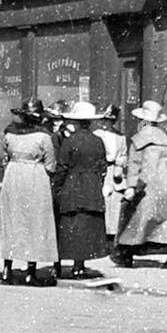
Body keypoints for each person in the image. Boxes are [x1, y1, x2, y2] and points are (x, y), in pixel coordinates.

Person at [117, 100, 167, 269]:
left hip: (147, 183)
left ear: (143, 120)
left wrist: (131, 186)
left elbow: (135, 165)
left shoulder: (139, 139)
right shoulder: (165, 139)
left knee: (136, 218)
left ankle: (126, 254)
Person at [0, 97, 59, 286]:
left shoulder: (10, 135)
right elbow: (51, 165)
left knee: (12, 220)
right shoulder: (44, 137)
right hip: (35, 177)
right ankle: (31, 271)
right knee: (35, 222)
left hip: (13, 176)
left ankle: (7, 268)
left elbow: (5, 157)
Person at [52, 101, 109, 279]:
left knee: (70, 224)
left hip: (72, 185)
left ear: (76, 122)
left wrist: (57, 187)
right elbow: (102, 166)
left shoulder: (70, 141)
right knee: (86, 225)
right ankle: (80, 265)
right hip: (91, 186)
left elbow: (62, 167)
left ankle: (64, 263)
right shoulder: (98, 141)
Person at [92, 105, 129, 246]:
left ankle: (112, 238)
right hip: (103, 170)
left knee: (114, 205)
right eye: (105, 120)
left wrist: (121, 162)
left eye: (110, 121)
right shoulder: (97, 134)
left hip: (115, 172)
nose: (107, 123)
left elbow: (124, 154)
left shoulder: (120, 137)